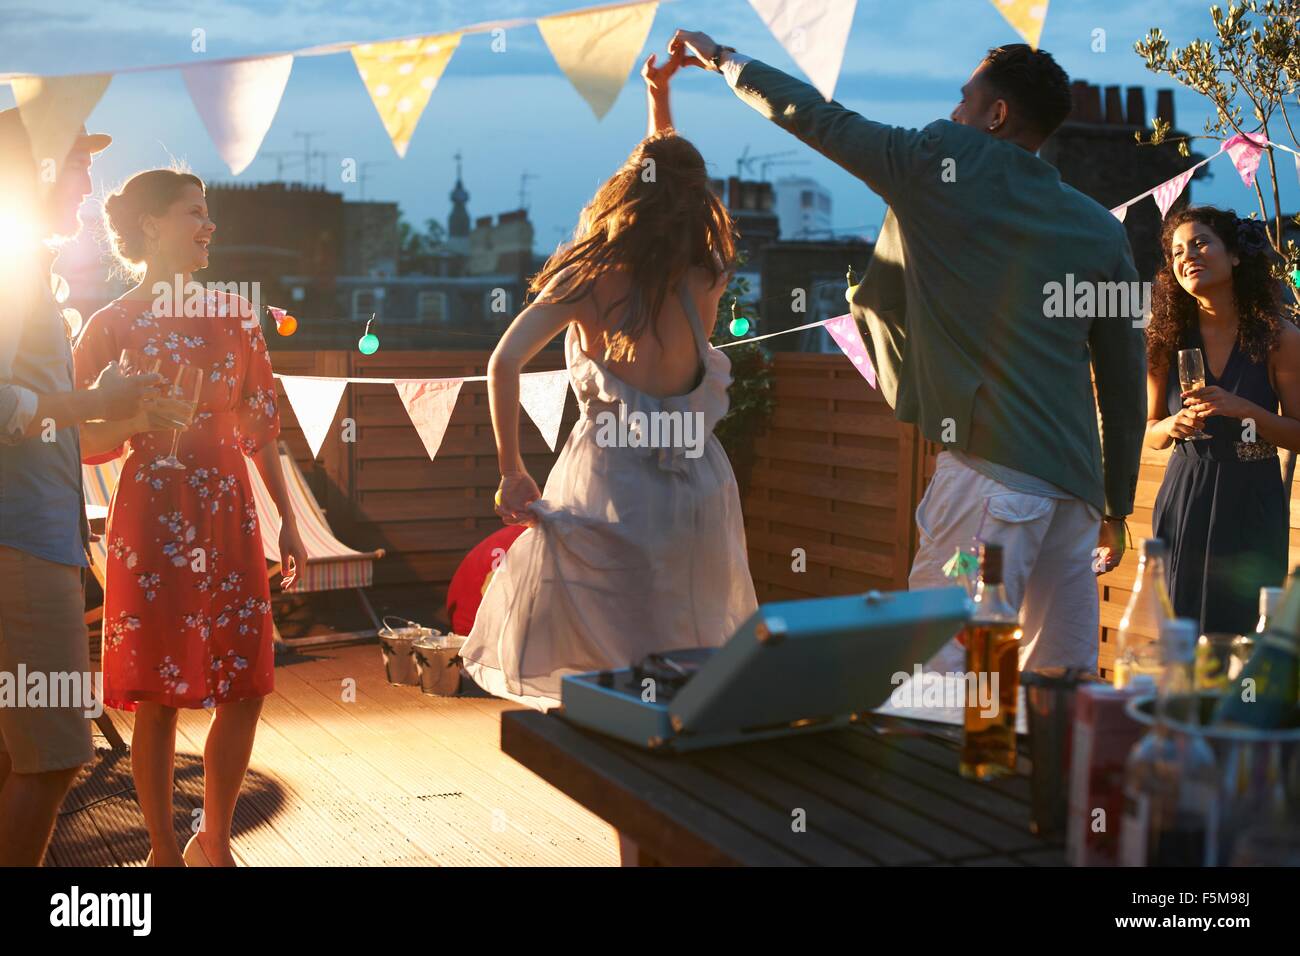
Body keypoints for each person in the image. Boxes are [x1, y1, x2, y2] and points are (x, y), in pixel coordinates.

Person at [668, 30, 1147, 672]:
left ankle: (962, 767)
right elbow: (1122, 385)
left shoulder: (938, 161)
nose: (952, 114)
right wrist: (1116, 504)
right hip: (1075, 502)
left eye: (964, 100)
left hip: (989, 494)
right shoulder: (1097, 226)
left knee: (947, 675)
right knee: (1057, 690)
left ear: (995, 115)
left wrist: (725, 59)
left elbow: (818, 118)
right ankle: (1021, 768)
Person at [459, 48, 759, 710]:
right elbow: (669, 176)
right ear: (695, 202)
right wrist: (659, 102)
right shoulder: (707, 276)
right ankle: (676, 779)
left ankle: (625, 769)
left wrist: (512, 469)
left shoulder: (588, 278)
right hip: (698, 482)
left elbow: (504, 362)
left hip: (614, 477)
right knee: (687, 641)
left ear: (626, 191)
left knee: (614, 650)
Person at [72, 168, 306, 867]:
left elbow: (262, 427)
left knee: (247, 680)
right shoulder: (108, 324)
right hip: (151, 516)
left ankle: (214, 839)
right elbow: (68, 434)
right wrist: (136, 417)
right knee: (157, 694)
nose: (208, 226)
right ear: (150, 226)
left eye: (208, 213)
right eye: (193, 213)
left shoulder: (237, 312)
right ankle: (164, 851)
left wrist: (289, 523)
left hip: (228, 511)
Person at [0, 108, 160, 866]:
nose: (88, 183)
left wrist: (114, 411)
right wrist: (91, 400)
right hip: (20, 542)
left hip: (36, 535)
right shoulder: (14, 264)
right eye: (73, 164)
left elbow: (44, 422)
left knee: (16, 748)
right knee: (57, 749)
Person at [1145, 206, 1299, 633]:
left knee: (1240, 631)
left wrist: (1247, 410)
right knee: (1177, 629)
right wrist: (1171, 427)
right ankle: (1177, 703)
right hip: (1185, 491)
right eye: (1177, 251)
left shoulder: (1280, 338)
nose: (1186, 256)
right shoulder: (1164, 339)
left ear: (1234, 255)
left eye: (1199, 243)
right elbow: (1151, 432)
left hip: (1251, 496)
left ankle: (1237, 702)